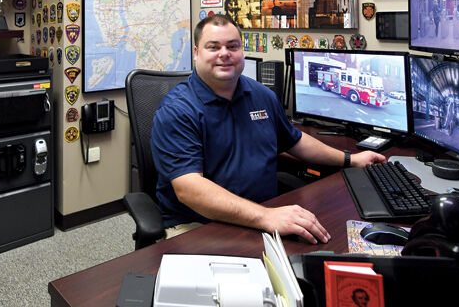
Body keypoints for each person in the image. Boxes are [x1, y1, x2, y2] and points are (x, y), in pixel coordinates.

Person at [151, 14, 386, 243]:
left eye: (232, 46)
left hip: (262, 214)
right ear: (196, 53)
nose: (224, 54)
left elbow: (295, 141)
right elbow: (189, 190)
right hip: (198, 224)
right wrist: (266, 216)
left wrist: (350, 159)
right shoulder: (177, 109)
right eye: (213, 47)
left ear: (242, 50)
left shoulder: (261, 95)